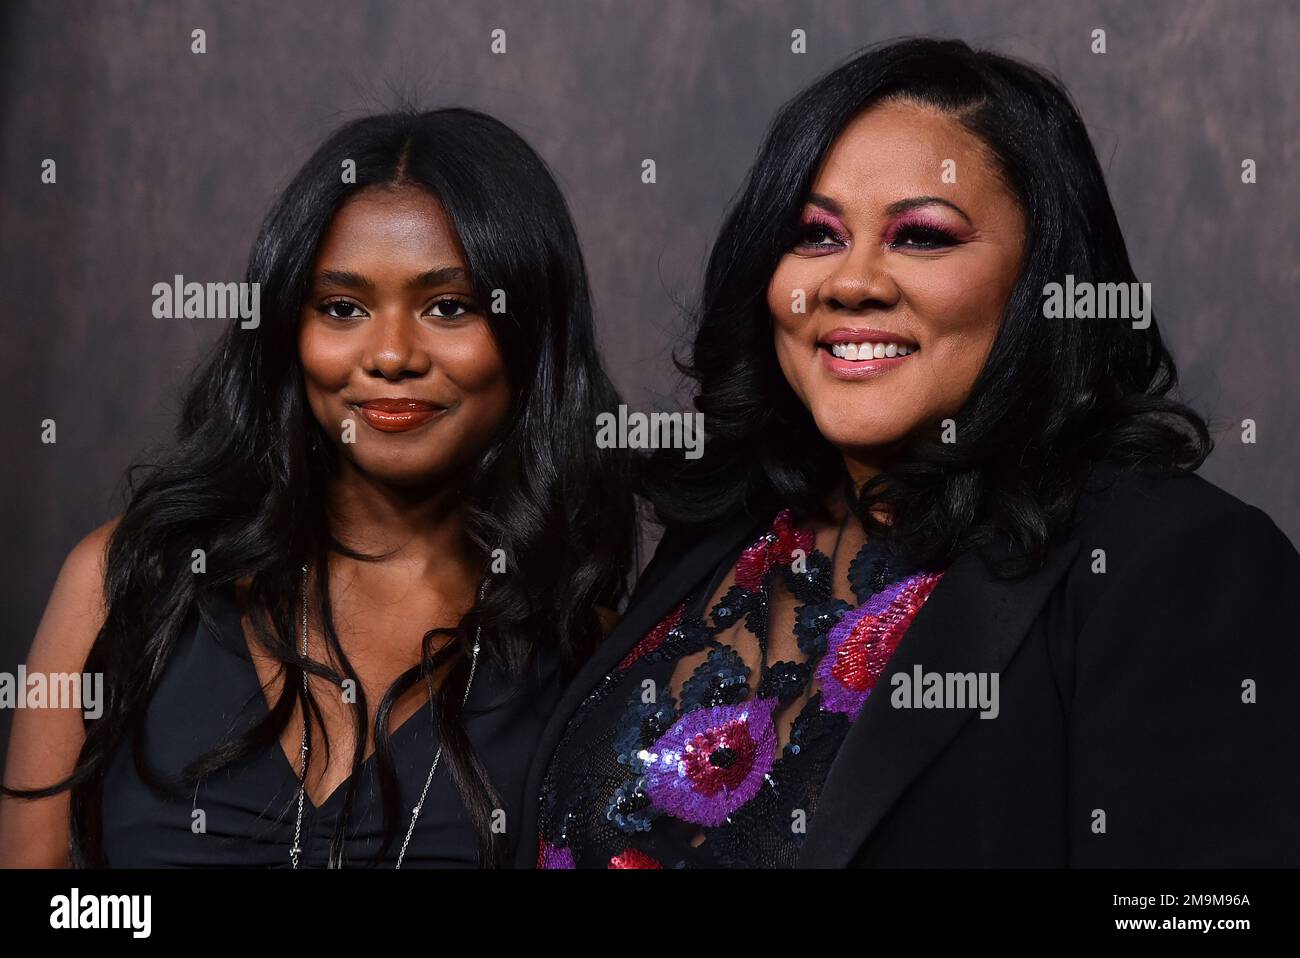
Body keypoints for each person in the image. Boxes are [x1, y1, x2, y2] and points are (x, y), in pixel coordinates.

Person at [520, 38, 1300, 869]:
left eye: (922, 237)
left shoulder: (1177, 563)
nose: (851, 282)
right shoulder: (721, 538)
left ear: (1041, 279)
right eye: (815, 235)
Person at [0, 108, 636, 868]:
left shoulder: (584, 649)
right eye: (342, 307)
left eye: (448, 306)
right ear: (286, 331)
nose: (392, 354)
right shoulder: (124, 582)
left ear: (531, 332)